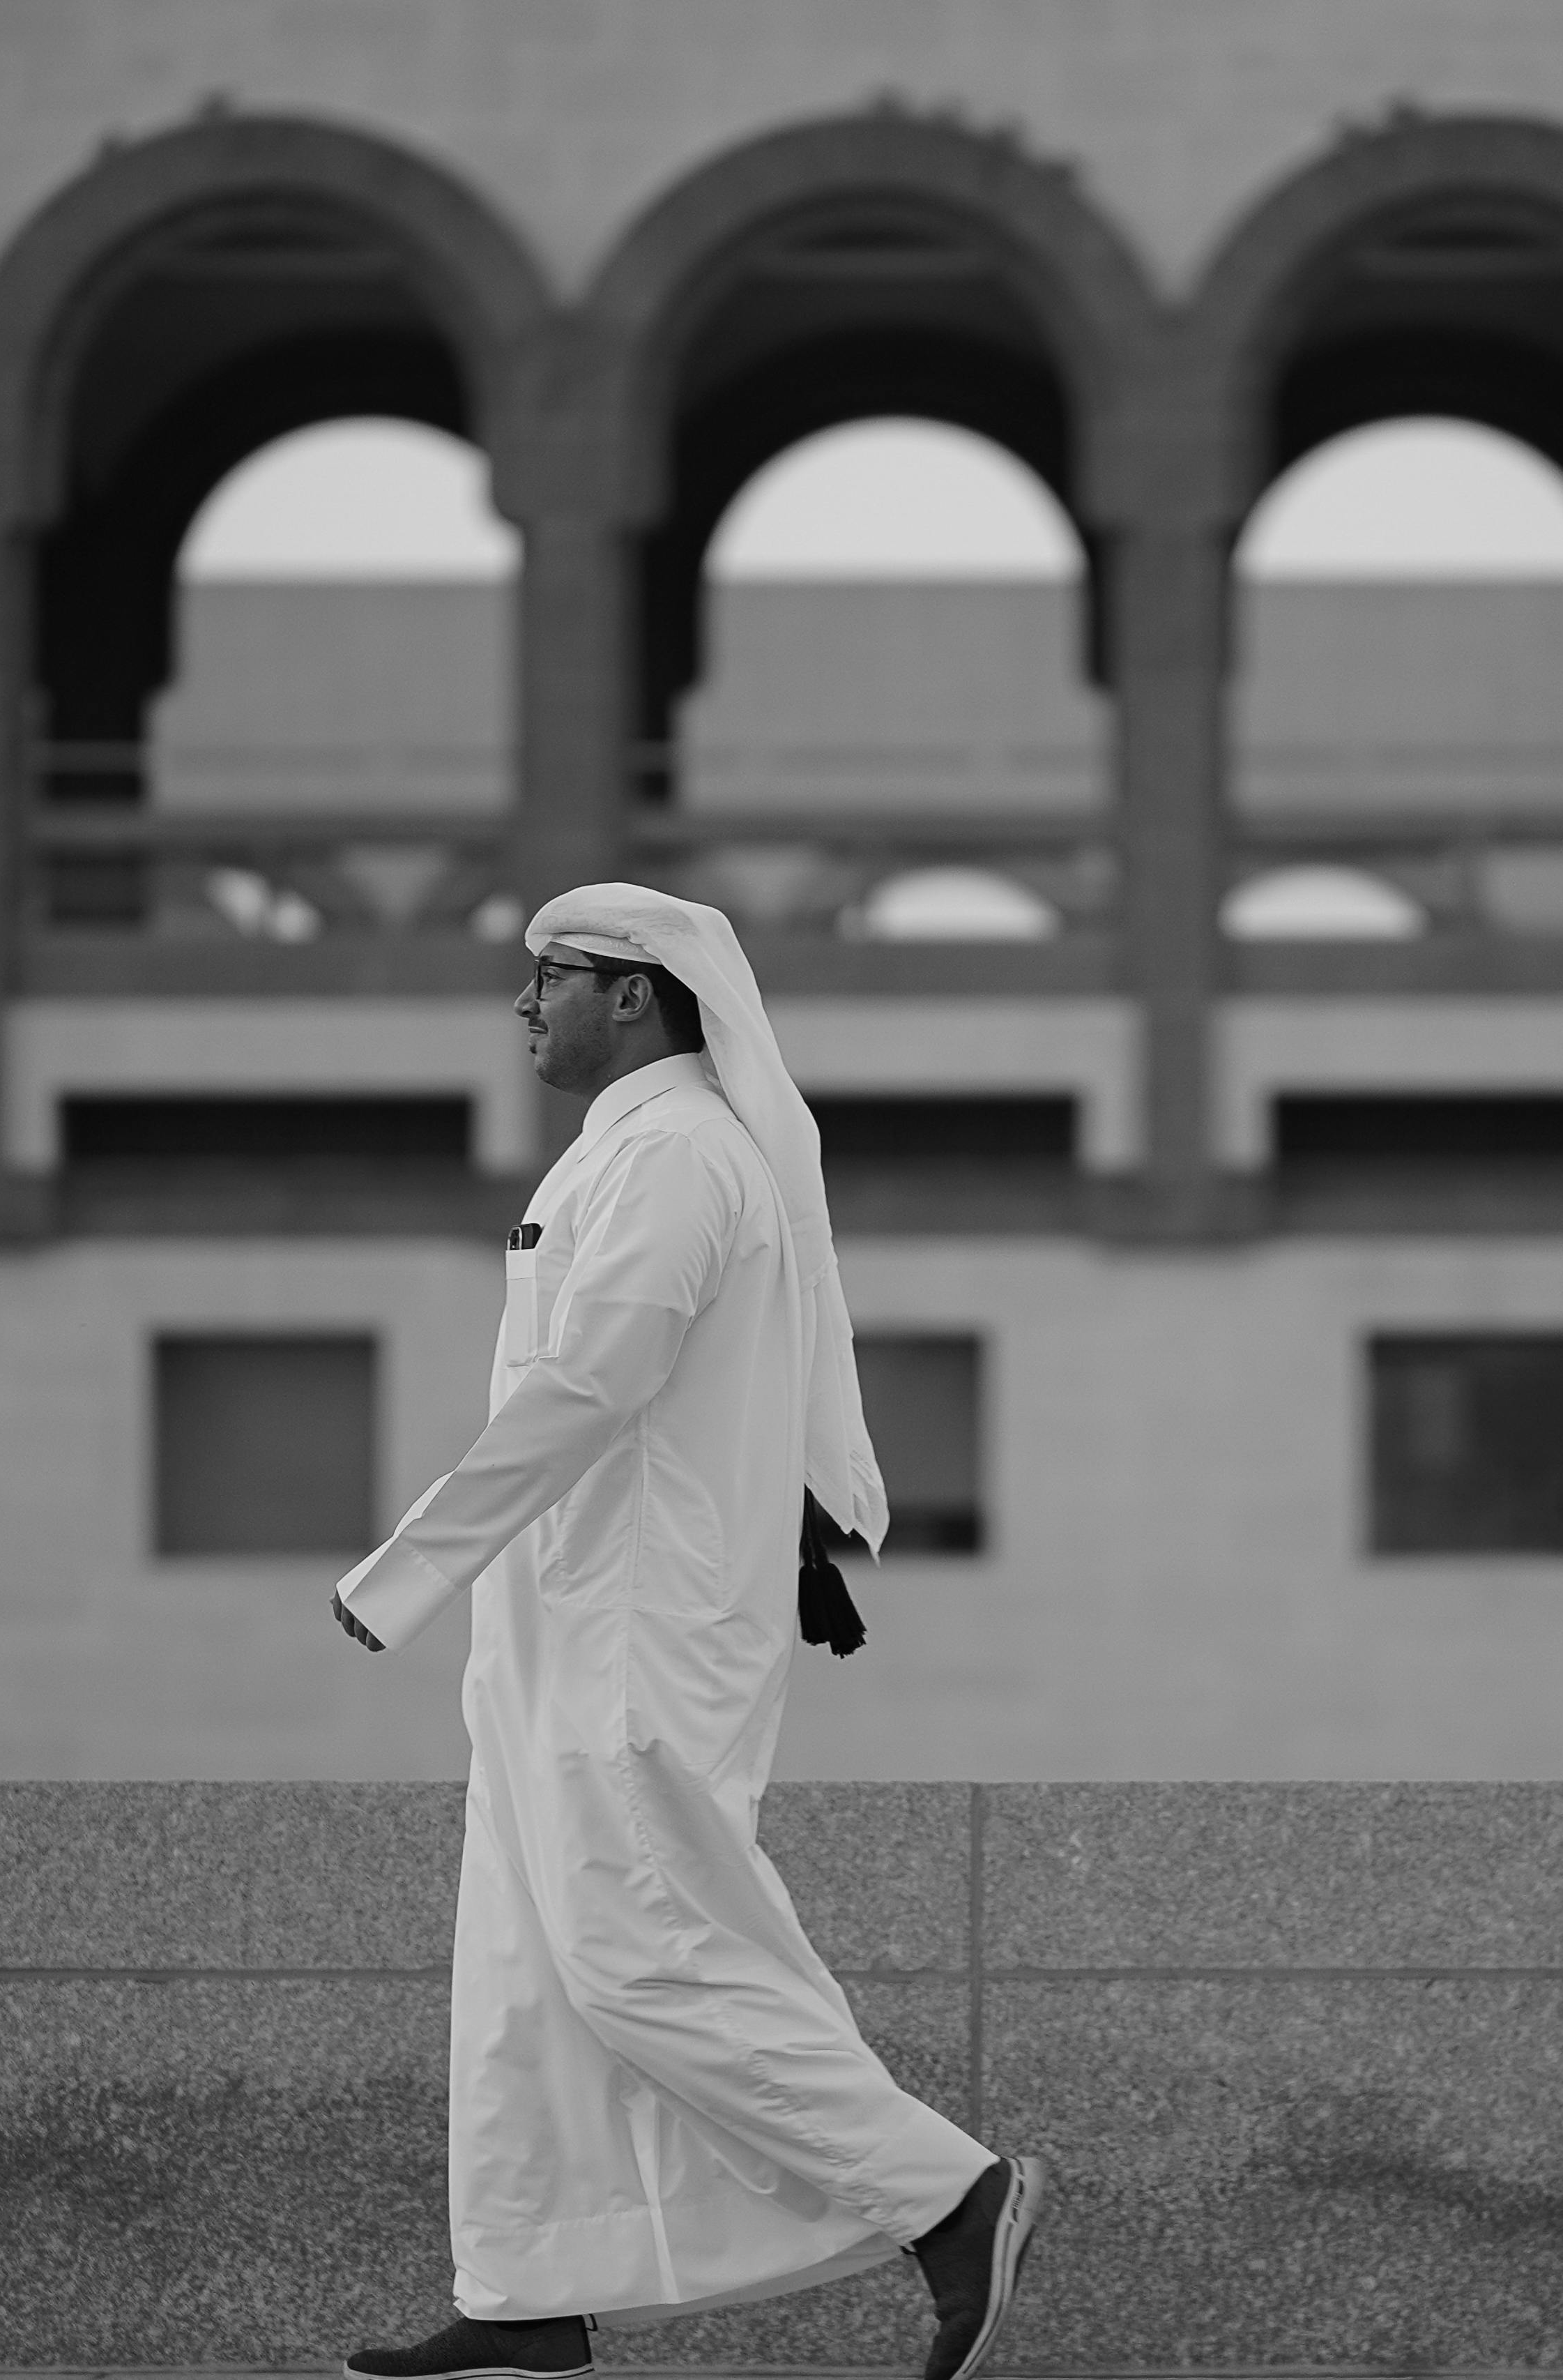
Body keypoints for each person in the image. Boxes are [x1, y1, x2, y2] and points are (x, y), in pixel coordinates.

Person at [330, 885, 1044, 2380]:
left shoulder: (681, 1155)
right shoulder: (633, 1146)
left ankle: (950, 2200)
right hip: (566, 1614)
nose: (525, 1005)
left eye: (551, 978)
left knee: (638, 1952)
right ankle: (526, 2297)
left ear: (638, 995)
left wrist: (409, 1570)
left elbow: (595, 1381)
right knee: (528, 1959)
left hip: (632, 1630)